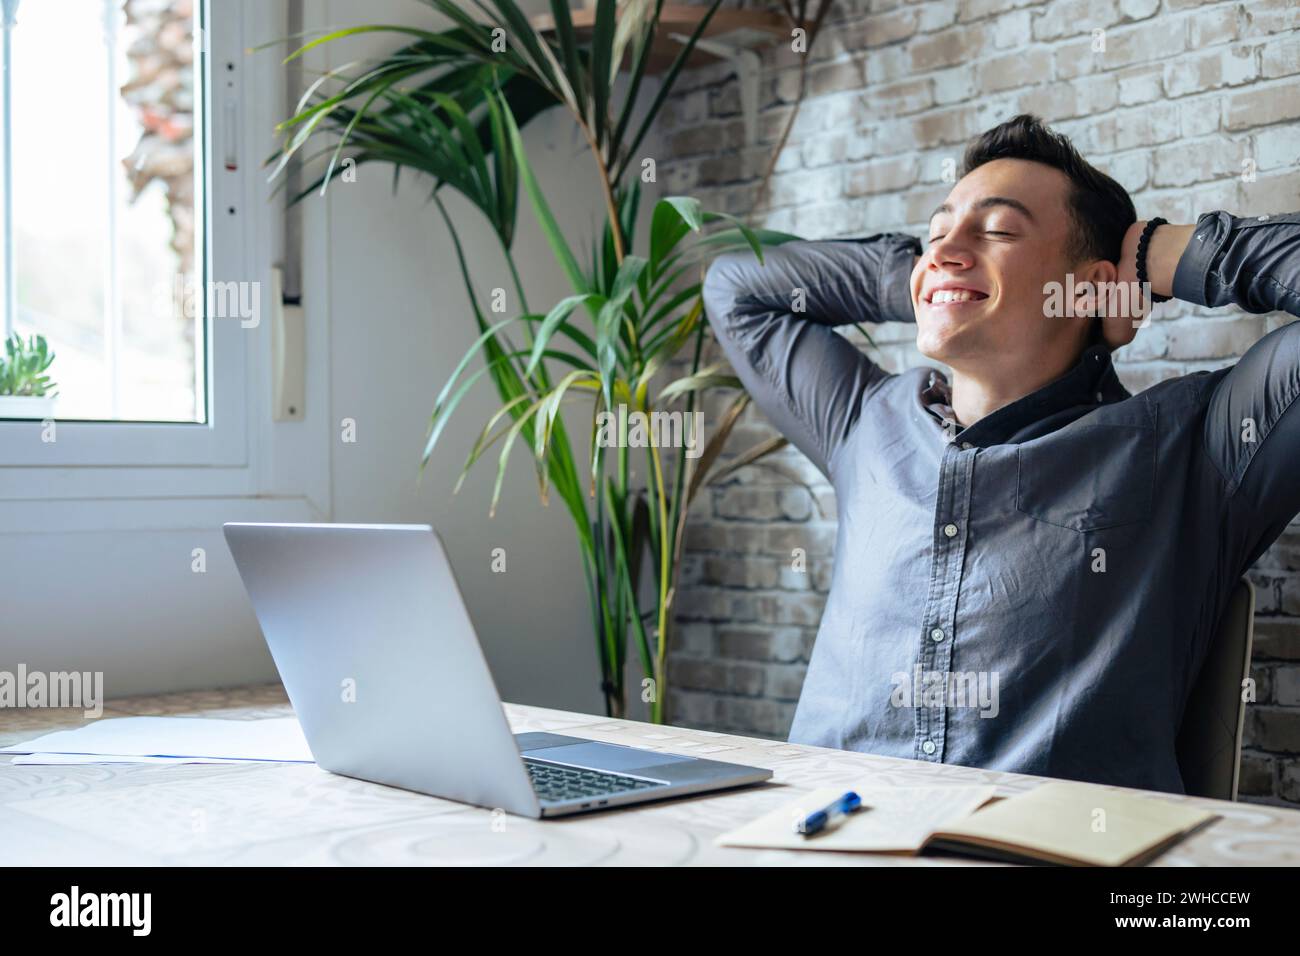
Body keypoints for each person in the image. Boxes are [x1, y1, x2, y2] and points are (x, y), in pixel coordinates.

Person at [701, 112, 1300, 793]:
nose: (947, 248)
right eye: (938, 231)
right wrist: (929, 279)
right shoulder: (865, 421)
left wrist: (1154, 257)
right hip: (816, 829)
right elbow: (734, 288)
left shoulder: (1197, 447)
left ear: (1090, 287)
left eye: (997, 231)